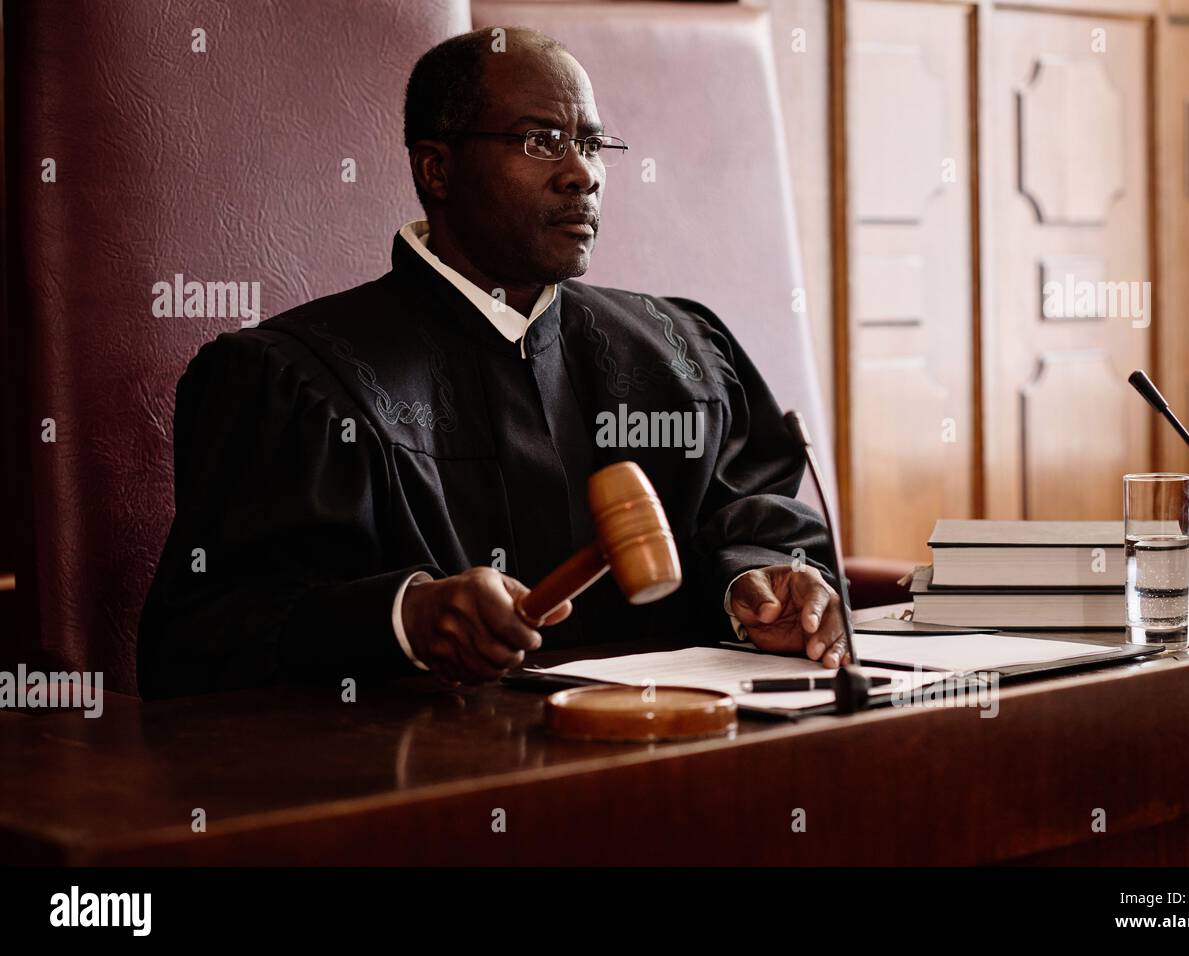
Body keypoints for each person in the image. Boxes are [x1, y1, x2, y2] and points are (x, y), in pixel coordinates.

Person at [137, 26, 848, 699]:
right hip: (426, 773)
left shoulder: (682, 352)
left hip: (676, 756)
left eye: (592, 143)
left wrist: (759, 584)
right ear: (436, 168)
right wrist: (403, 616)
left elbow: (749, 520)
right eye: (542, 141)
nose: (582, 173)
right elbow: (196, 645)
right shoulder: (300, 380)